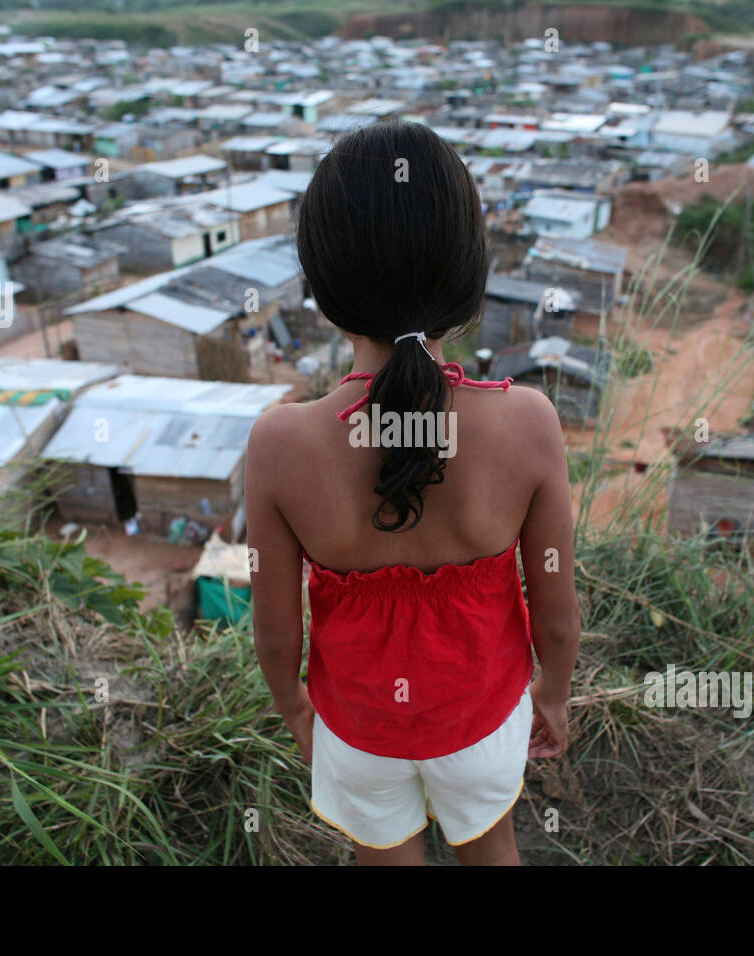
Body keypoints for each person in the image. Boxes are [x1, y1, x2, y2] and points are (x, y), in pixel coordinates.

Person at [245, 120, 580, 866]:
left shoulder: (280, 446)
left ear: (323, 290)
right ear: (467, 278)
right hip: (484, 721)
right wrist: (552, 696)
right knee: (493, 846)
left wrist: (297, 711)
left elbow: (275, 633)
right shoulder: (527, 424)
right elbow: (556, 612)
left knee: (385, 855)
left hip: (359, 732)